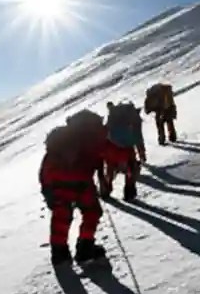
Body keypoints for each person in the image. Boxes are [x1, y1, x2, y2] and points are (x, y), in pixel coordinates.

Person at [40, 110, 109, 266]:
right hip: (81, 183)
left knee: (61, 217)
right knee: (92, 212)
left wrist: (47, 189)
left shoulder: (60, 141)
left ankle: (59, 254)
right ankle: (85, 248)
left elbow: (47, 167)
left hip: (56, 183)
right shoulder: (93, 139)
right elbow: (101, 156)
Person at [102, 101, 146, 200]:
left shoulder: (112, 120)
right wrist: (142, 154)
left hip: (111, 150)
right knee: (131, 171)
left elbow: (105, 134)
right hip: (127, 151)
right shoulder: (133, 122)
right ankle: (129, 194)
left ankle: (105, 190)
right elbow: (139, 139)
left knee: (110, 170)